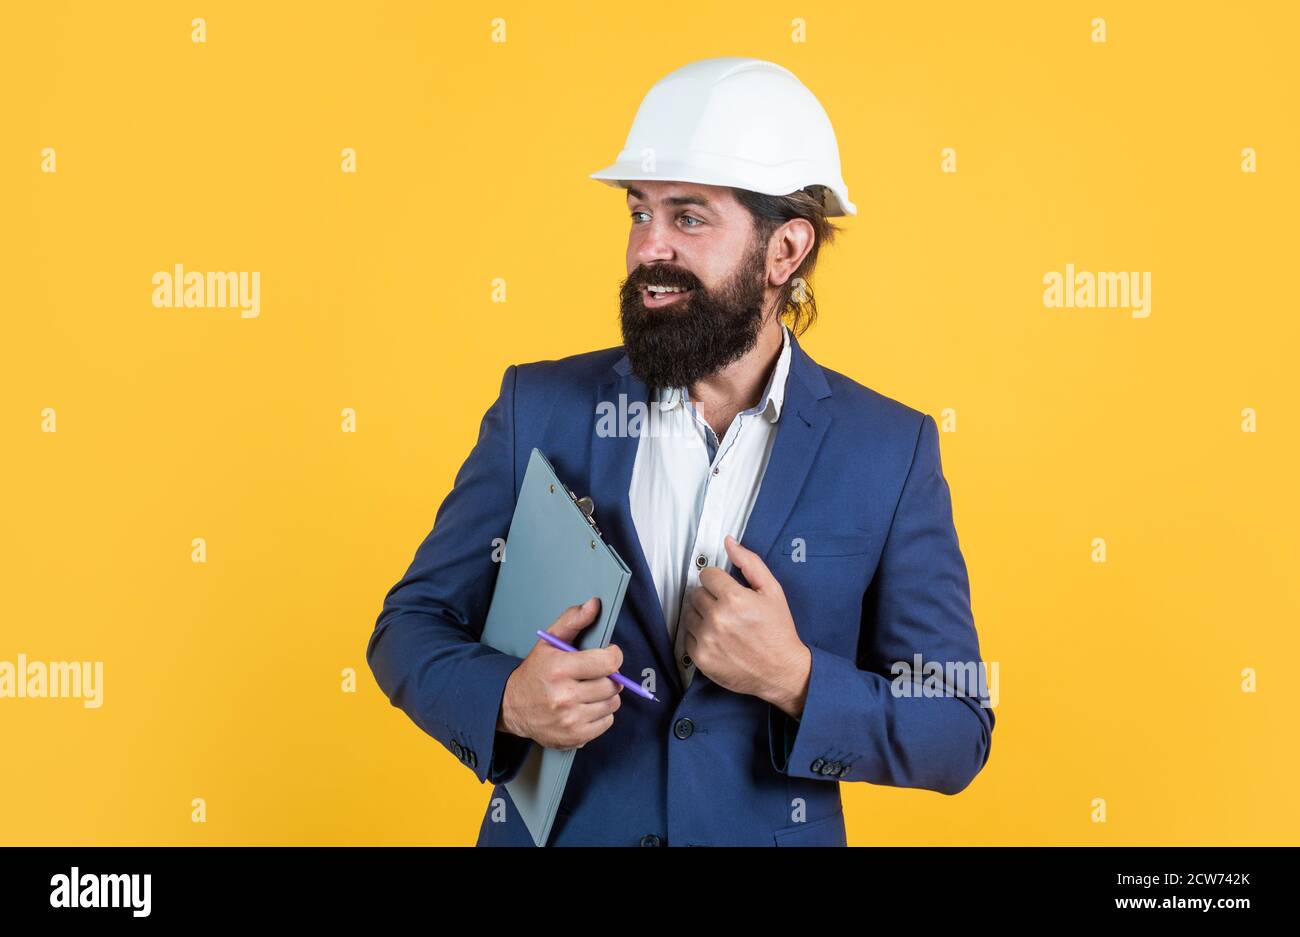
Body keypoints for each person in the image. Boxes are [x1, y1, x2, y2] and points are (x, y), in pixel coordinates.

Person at [367, 57, 994, 846]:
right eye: (639, 213)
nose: (647, 250)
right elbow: (409, 625)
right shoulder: (540, 408)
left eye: (688, 218)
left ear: (785, 250)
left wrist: (797, 679)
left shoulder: (889, 451)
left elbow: (956, 725)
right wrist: (506, 702)